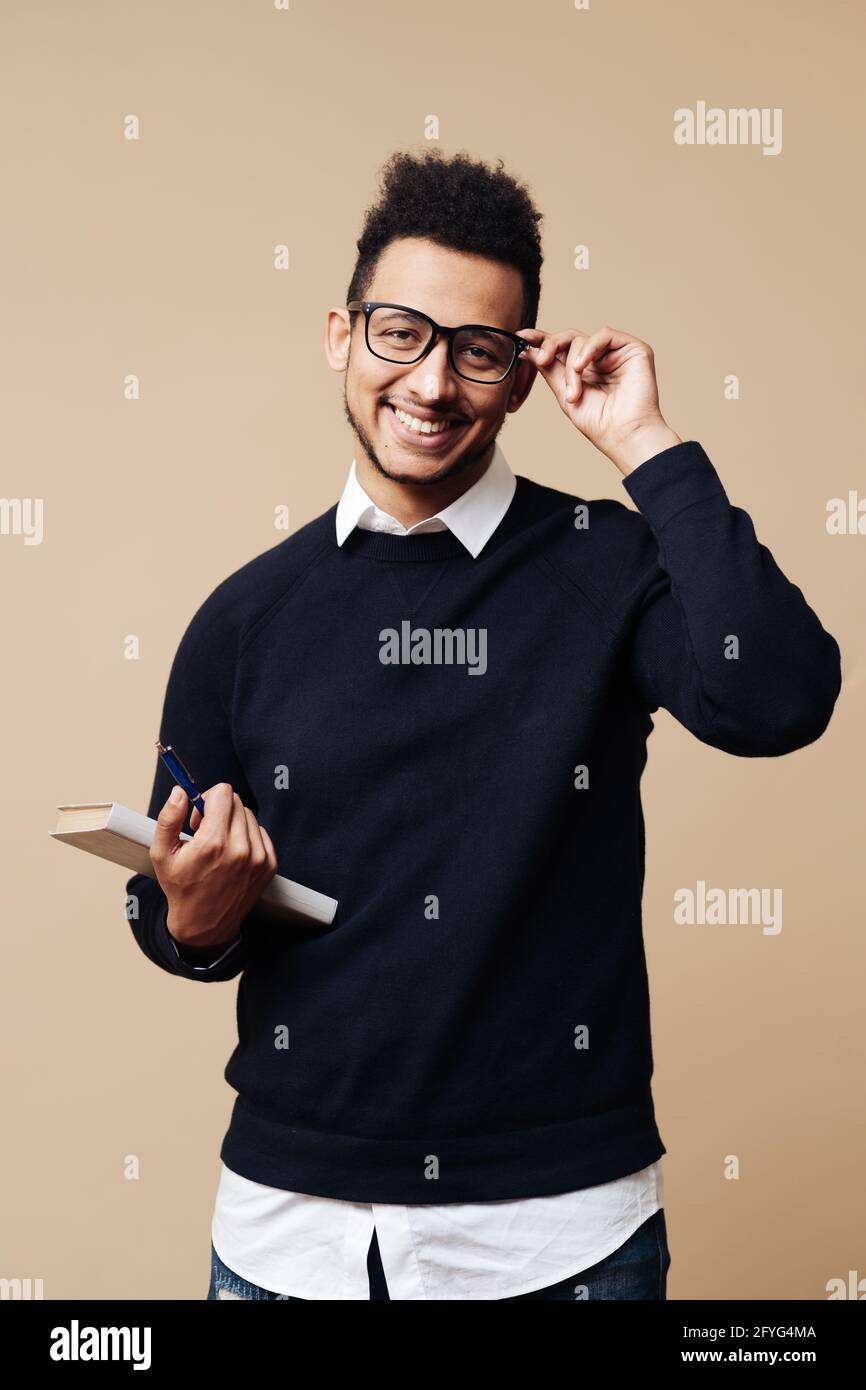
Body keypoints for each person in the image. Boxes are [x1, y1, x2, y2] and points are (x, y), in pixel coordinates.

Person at [125, 149, 841, 1301]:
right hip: (285, 1235)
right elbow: (167, 907)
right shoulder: (243, 615)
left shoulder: (604, 565)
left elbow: (778, 697)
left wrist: (648, 446)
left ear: (518, 378)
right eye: (400, 333)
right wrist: (192, 921)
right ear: (339, 335)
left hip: (557, 1236)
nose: (430, 382)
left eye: (478, 351)